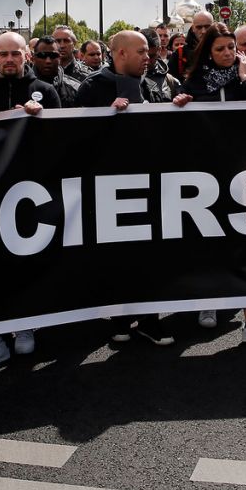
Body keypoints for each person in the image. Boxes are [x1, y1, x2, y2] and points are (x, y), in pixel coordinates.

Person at [173, 26, 246, 343]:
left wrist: (245, 77)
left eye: (232, 47)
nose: (229, 53)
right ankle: (210, 301)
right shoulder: (194, 84)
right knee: (210, 239)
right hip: (208, 175)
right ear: (208, 52)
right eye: (221, 49)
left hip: (244, 172)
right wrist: (179, 105)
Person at [77, 30, 175, 345]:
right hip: (107, 187)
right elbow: (75, 137)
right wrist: (106, 116)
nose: (150, 56)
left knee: (149, 254)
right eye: (143, 52)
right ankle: (120, 317)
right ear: (120, 54)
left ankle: (149, 319)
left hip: (148, 184)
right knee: (115, 254)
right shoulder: (92, 88)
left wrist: (179, 108)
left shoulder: (151, 86)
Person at [30, 35, 83, 107]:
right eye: (42, 55)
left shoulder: (75, 89)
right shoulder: (22, 88)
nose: (48, 61)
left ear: (60, 58)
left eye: (53, 56)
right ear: (33, 58)